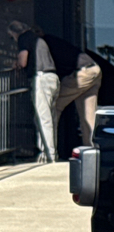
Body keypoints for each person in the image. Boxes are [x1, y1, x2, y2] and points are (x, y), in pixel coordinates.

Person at [8, 18, 98, 161]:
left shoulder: (27, 38)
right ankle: (92, 151)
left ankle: (48, 154)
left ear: (13, 33)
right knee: (87, 116)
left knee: (48, 113)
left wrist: (17, 64)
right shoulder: (45, 42)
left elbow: (23, 61)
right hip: (89, 70)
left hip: (64, 75)